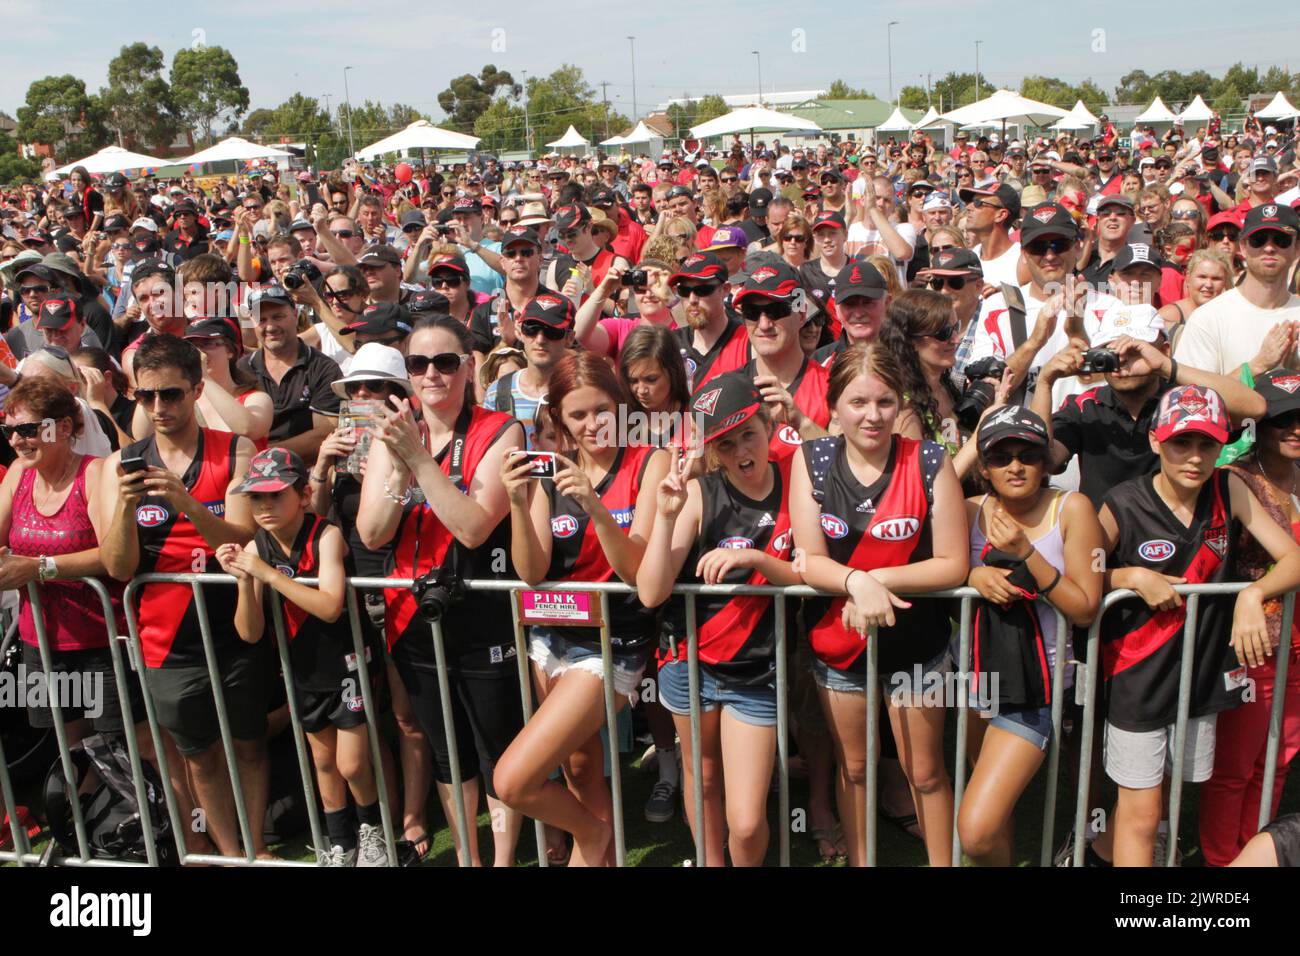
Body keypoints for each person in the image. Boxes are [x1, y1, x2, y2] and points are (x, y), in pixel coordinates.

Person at [1090, 385, 1300, 867]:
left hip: (1200, 680)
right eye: (1181, 442)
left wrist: (1253, 593)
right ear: (1155, 441)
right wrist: (1130, 576)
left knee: (1162, 801)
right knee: (1142, 817)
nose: (1195, 457)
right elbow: (1082, 575)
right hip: (1137, 678)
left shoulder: (1229, 488)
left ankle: (1099, 851)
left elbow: (1292, 559)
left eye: (1207, 443)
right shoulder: (1123, 501)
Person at [789, 342, 969, 866]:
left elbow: (953, 563)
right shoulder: (813, 460)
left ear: (902, 403)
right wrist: (854, 582)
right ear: (834, 405)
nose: (872, 416)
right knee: (856, 768)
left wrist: (871, 580)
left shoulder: (931, 459)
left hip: (919, 647)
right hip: (839, 647)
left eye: (885, 402)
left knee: (928, 771)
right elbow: (808, 559)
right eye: (858, 402)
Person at [358, 315, 526, 868]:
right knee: (449, 758)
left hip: (486, 615)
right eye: (419, 364)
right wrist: (401, 469)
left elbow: (474, 525)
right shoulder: (395, 432)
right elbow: (373, 532)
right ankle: (470, 861)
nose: (432, 374)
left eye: (446, 362)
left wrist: (420, 461)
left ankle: (503, 860)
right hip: (414, 617)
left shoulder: (502, 429)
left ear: (469, 367)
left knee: (499, 752)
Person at [494, 352, 670, 867]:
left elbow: (635, 570)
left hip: (612, 645)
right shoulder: (549, 472)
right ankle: (599, 853)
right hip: (549, 636)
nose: (593, 425)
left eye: (602, 410)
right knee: (577, 765)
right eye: (578, 415)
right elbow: (531, 570)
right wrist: (518, 502)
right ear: (559, 420)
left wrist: (596, 507)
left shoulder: (649, 461)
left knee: (513, 779)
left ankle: (591, 838)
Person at [98, 333, 264, 861]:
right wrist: (124, 510)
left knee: (248, 744)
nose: (158, 407)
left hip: (234, 624)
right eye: (146, 397)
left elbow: (240, 537)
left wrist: (185, 501)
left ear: (196, 390)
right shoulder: (121, 464)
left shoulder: (235, 448)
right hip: (164, 640)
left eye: (170, 394)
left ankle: (256, 846)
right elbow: (118, 566)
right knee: (201, 756)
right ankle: (231, 851)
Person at [636, 374, 801, 865]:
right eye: (724, 443)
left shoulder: (798, 478)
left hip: (757, 672)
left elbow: (810, 569)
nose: (740, 451)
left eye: (748, 433)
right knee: (702, 778)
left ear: (768, 425)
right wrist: (666, 516)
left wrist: (756, 561)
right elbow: (650, 591)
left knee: (747, 822)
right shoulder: (700, 493)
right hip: (689, 664)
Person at [217, 447, 390, 868]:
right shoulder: (257, 546)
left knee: (351, 764)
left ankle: (374, 835)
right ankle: (340, 845)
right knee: (324, 763)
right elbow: (250, 632)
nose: (265, 506)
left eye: (275, 495)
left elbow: (331, 606)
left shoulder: (325, 535)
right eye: (257, 497)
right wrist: (244, 581)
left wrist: (268, 575)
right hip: (303, 667)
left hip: (348, 660)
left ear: (304, 495)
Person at [956, 407, 1103, 865]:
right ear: (984, 467)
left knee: (976, 831)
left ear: (1046, 462)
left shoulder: (1071, 507)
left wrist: (1027, 556)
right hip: (977, 680)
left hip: (1040, 688)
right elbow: (945, 566)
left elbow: (1084, 608)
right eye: (1001, 457)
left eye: (1028, 455)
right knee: (993, 815)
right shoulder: (969, 510)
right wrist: (974, 575)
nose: (1015, 466)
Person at [308, 342, 433, 863]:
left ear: (398, 395)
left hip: (399, 589)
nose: (363, 397)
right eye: (355, 389)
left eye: (375, 388)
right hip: (345, 596)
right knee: (359, 717)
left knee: (406, 715)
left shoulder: (419, 442)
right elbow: (314, 523)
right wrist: (321, 465)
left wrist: (384, 471)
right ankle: (373, 820)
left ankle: (413, 817)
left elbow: (419, 513)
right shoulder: (339, 448)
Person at [0, 378, 143, 754]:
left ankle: (155, 814)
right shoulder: (18, 474)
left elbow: (116, 558)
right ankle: (89, 813)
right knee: (73, 752)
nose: (16, 441)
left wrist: (39, 568)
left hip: (103, 642)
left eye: (28, 430)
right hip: (42, 643)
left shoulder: (95, 474)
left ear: (63, 427)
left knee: (133, 749)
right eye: (9, 430)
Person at [1200, 369, 1300, 866]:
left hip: (1299, 647)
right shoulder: (1236, 480)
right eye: (1284, 419)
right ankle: (1223, 863)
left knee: (1278, 760)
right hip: (1254, 641)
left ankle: (1259, 855)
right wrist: (1250, 596)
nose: (1296, 429)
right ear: (1259, 425)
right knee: (1237, 766)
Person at [1174, 204, 1300, 376]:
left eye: (1281, 240)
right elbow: (1196, 397)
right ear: (1243, 247)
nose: (1269, 248)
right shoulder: (1208, 318)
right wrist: (1257, 366)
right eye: (1259, 240)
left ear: (1297, 248)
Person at [731, 261, 831, 459]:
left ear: (801, 315)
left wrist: (802, 424)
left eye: (776, 311)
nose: (764, 324)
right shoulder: (727, 389)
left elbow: (850, 468)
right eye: (752, 313)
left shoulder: (832, 387)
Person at [240, 286, 341, 463]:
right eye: (261, 320)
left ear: (295, 315)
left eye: (278, 317)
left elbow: (324, 434)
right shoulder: (242, 369)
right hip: (249, 469)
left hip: (303, 471)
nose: (270, 327)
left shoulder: (323, 368)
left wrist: (263, 454)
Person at [1157, 249, 1233, 336]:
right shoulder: (1169, 315)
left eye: (1216, 279)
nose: (1208, 284)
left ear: (1225, 282)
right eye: (1202, 277)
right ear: (1188, 277)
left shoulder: (1230, 316)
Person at [960, 183, 1021, 288]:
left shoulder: (1023, 258)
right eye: (970, 202)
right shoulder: (970, 257)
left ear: (1001, 215)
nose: (968, 207)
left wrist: (1004, 294)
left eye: (978, 203)